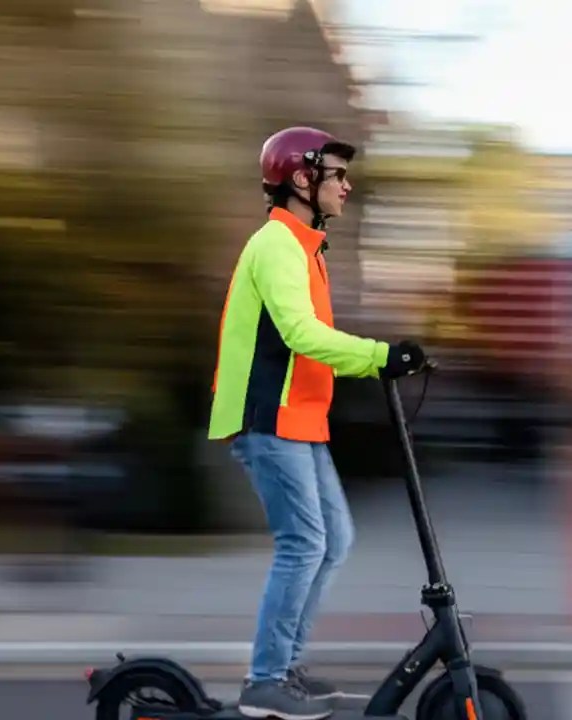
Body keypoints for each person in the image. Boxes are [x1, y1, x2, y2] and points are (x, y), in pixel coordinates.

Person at [208, 126, 426, 720]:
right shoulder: (277, 244)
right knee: (304, 543)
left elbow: (311, 343)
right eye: (337, 175)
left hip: (301, 421)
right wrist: (380, 357)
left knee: (334, 540)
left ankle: (286, 668)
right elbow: (301, 334)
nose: (347, 186)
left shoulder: (307, 249)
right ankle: (265, 681)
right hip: (269, 420)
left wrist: (382, 360)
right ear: (302, 180)